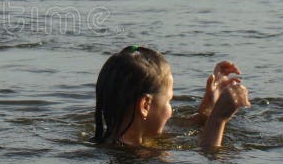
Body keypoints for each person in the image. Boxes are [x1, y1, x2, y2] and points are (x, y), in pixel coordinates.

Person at [93, 45, 250, 150]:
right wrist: (217, 120)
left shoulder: (119, 138)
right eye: (169, 100)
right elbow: (209, 162)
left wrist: (209, 107)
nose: (171, 111)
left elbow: (187, 125)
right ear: (145, 105)